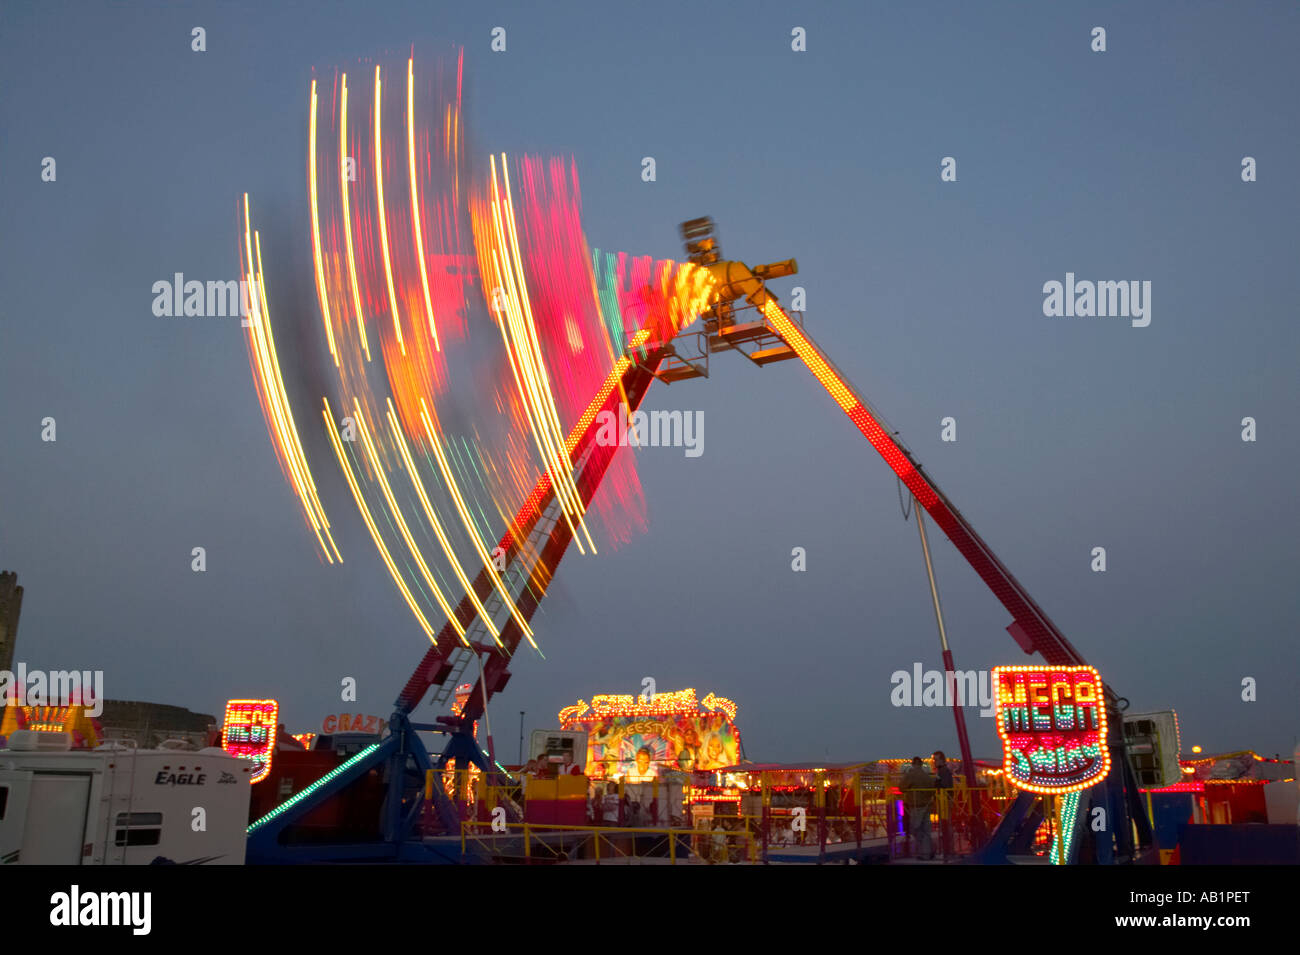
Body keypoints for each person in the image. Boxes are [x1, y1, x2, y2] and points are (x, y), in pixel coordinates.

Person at [899, 756, 935, 859]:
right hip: (927, 806)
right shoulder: (927, 776)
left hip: (916, 806)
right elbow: (932, 790)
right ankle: (929, 851)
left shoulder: (911, 775)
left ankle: (924, 853)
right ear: (921, 764)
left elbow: (901, 787)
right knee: (926, 830)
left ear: (913, 764)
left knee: (916, 829)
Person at [932, 751, 954, 857]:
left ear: (941, 760)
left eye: (936, 759)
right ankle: (948, 849)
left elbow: (945, 785)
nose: (934, 762)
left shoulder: (943, 771)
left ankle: (947, 849)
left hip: (945, 800)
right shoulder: (943, 770)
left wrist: (937, 783)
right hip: (945, 799)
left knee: (945, 824)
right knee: (945, 824)